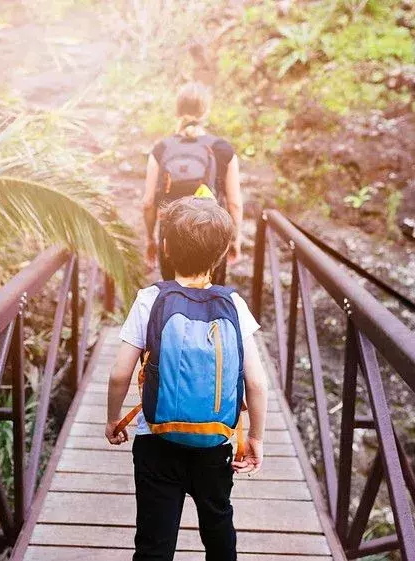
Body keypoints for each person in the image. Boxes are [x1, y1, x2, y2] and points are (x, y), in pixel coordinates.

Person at [106, 196, 268, 561]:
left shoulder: (149, 300)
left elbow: (120, 373)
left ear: (165, 246)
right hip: (215, 445)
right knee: (218, 525)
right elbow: (257, 383)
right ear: (223, 252)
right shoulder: (234, 304)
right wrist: (255, 436)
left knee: (154, 540)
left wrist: (113, 418)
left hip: (155, 442)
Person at [143, 82, 243, 285]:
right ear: (206, 111)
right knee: (211, 298)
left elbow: (148, 202)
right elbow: (235, 204)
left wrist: (150, 239)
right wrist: (235, 239)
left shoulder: (161, 149)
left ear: (177, 110)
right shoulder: (222, 149)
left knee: (173, 295)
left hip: (171, 238)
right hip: (212, 236)